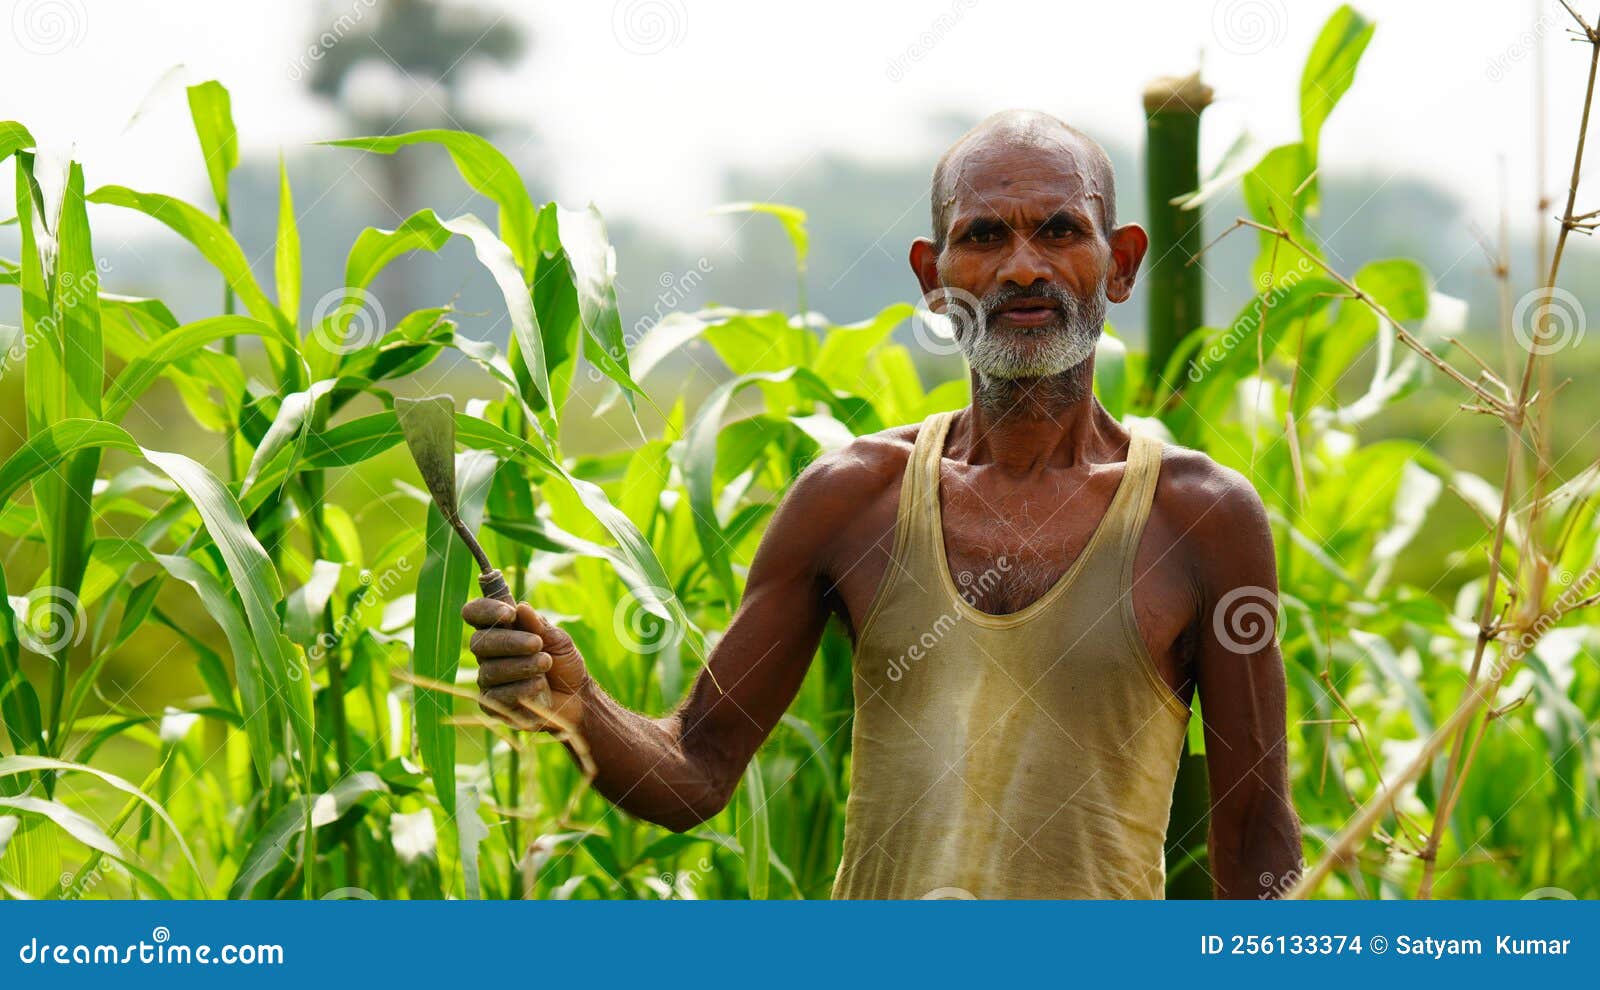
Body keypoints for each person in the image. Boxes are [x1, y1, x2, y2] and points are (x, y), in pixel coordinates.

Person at [462, 110, 1300, 898]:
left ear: (1119, 263)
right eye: (982, 236)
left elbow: (1258, 838)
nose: (1021, 267)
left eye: (1059, 230)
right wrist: (575, 703)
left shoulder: (1201, 520)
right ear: (934, 279)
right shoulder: (852, 498)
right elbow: (693, 767)